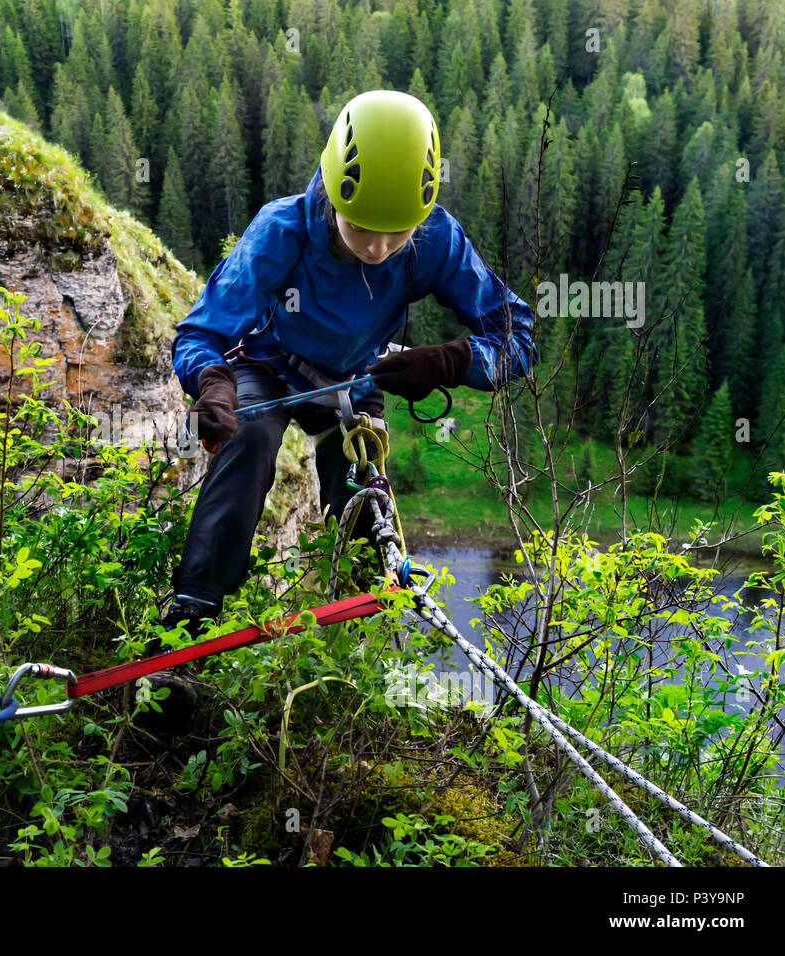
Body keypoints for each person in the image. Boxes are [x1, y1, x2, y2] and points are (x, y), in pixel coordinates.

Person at [142, 90, 536, 731]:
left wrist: (449, 362)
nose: (379, 248)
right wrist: (212, 383)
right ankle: (186, 631)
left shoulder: (434, 239)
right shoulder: (284, 230)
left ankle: (350, 662)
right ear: (332, 188)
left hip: (357, 379)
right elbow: (200, 334)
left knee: (366, 503)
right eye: (361, 229)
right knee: (248, 443)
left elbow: (517, 336)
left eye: (396, 233)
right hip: (267, 366)